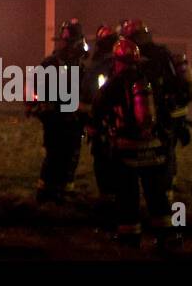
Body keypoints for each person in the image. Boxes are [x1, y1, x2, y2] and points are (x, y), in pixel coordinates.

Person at [91, 38, 180, 251]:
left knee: (127, 194)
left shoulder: (114, 83)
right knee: (157, 194)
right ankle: (166, 236)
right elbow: (166, 110)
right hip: (155, 149)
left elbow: (97, 110)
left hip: (127, 150)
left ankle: (130, 238)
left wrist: (97, 130)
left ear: (118, 61)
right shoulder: (151, 80)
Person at [125, 21, 192, 190]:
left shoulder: (139, 58)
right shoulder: (162, 53)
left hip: (158, 110)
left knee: (160, 150)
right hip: (168, 111)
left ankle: (162, 186)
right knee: (166, 150)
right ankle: (167, 186)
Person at [31, 19, 87, 203]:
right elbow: (38, 88)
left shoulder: (79, 65)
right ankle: (45, 191)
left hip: (74, 117)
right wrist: (45, 106)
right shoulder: (50, 64)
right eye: (70, 42)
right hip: (55, 118)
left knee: (71, 153)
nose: (72, 46)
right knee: (55, 154)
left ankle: (63, 189)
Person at [80, 23, 121, 210]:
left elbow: (88, 94)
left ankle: (108, 199)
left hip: (102, 121)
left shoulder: (98, 65)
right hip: (116, 122)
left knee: (104, 160)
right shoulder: (120, 63)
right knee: (114, 161)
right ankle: (115, 198)